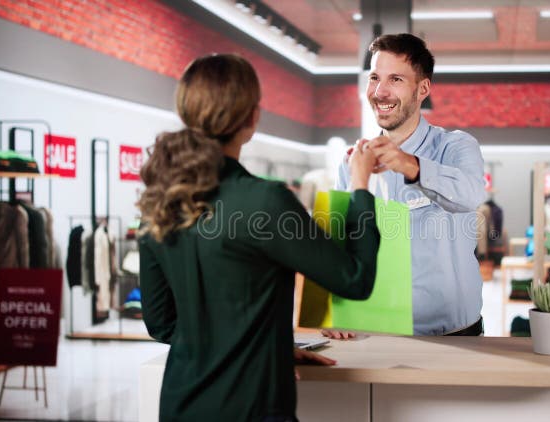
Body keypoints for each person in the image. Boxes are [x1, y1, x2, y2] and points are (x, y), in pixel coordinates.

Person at [138, 53, 380, 422]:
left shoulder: (160, 201)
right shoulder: (266, 201)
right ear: (251, 118)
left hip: (180, 405)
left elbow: (162, 323)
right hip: (252, 407)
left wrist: (271, 346)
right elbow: (354, 278)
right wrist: (361, 186)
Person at [329, 33, 487, 337]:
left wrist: (408, 164)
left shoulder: (455, 147)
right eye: (374, 77)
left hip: (454, 336)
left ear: (422, 89)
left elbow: (469, 195)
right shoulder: (353, 161)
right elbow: (342, 245)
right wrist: (336, 312)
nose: (380, 91)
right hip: (376, 330)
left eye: (396, 80)